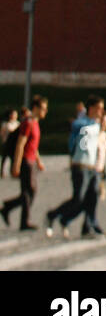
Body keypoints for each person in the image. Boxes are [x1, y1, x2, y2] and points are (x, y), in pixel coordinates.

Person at [45, 96, 106, 239]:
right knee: (78, 199)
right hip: (80, 166)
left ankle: (88, 227)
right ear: (91, 108)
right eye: (99, 108)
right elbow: (73, 143)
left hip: (92, 168)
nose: (101, 112)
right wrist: (73, 155)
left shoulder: (96, 125)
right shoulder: (81, 124)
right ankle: (54, 215)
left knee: (91, 199)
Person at [1, 96, 48, 230]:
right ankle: (23, 221)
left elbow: (34, 145)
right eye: (43, 108)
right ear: (35, 108)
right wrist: (16, 165)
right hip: (25, 161)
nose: (45, 111)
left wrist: (38, 161)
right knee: (29, 191)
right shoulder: (28, 123)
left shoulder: (35, 123)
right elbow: (20, 144)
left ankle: (8, 208)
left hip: (31, 160)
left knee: (28, 192)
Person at [0, 109, 19, 178]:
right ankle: (2, 171)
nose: (15, 116)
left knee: (13, 158)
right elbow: (2, 133)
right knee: (4, 158)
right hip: (6, 143)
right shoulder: (5, 124)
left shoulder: (17, 123)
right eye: (14, 114)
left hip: (13, 144)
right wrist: (3, 140)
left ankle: (12, 171)